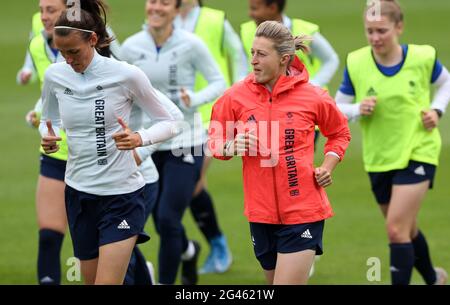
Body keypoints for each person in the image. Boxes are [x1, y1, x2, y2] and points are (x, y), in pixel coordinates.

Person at [39, 0, 179, 284]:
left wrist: (140, 138)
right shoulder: (55, 75)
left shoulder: (125, 74)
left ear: (92, 40)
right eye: (62, 52)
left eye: (74, 52)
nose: (68, 59)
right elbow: (48, 118)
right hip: (78, 194)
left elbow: (172, 121)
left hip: (121, 196)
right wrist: (47, 136)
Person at [208, 21, 351, 285]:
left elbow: (340, 133)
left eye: (261, 54)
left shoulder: (314, 97)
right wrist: (230, 146)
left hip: (303, 210)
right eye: (252, 52)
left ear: (284, 58)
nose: (253, 60)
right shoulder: (235, 96)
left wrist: (328, 166)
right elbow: (214, 139)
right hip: (260, 213)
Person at [335, 0, 450, 285]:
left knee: (395, 229)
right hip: (379, 157)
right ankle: (433, 279)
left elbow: (446, 83)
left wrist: (436, 110)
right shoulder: (357, 61)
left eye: (381, 30)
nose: (375, 38)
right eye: (369, 31)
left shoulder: (423, 57)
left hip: (419, 150)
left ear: (399, 27)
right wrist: (356, 109)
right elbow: (337, 107)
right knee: (406, 229)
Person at [120, 0, 226, 285]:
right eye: (152, 1)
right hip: (146, 143)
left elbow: (219, 81)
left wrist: (196, 97)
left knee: (167, 220)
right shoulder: (130, 47)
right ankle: (189, 251)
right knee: (158, 221)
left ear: (177, 9)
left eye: (164, 2)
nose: (156, 7)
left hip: (186, 141)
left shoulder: (191, 44)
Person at [175, 0, 247, 274]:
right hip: (179, 117)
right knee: (193, 184)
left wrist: (238, 94)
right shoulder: (166, 21)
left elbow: (238, 54)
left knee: (192, 183)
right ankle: (205, 245)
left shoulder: (215, 20)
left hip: (213, 113)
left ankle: (216, 245)